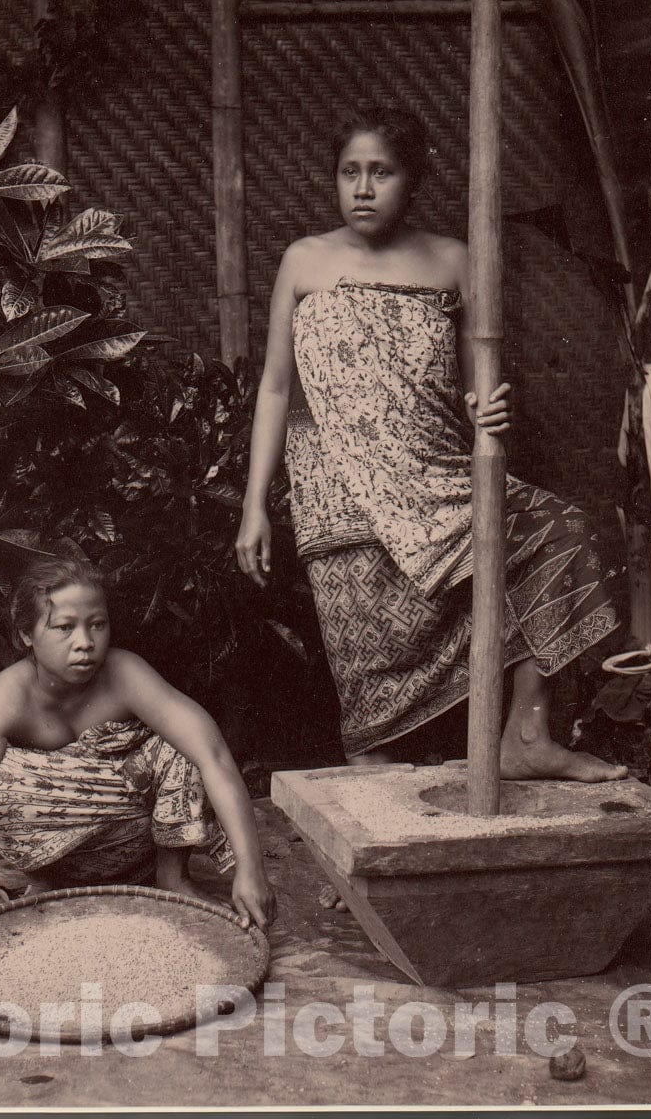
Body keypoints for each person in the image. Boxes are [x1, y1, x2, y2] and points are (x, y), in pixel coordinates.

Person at [236, 106, 627, 787]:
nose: (362, 188)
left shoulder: (454, 260)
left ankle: (527, 737)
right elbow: (274, 387)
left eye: (381, 173)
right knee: (371, 679)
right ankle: (369, 850)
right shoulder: (304, 260)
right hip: (342, 494)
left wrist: (488, 406)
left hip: (439, 474)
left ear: (411, 181)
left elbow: (480, 386)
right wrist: (254, 508)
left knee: (562, 535)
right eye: (349, 172)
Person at [0, 554, 276, 978]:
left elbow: (214, 755)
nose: (85, 642)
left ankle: (172, 876)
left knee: (183, 748)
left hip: (138, 839)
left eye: (97, 624)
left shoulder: (124, 673)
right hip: (52, 843)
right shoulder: (6, 698)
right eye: (64, 627)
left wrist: (250, 867)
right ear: (26, 635)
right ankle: (55, 879)